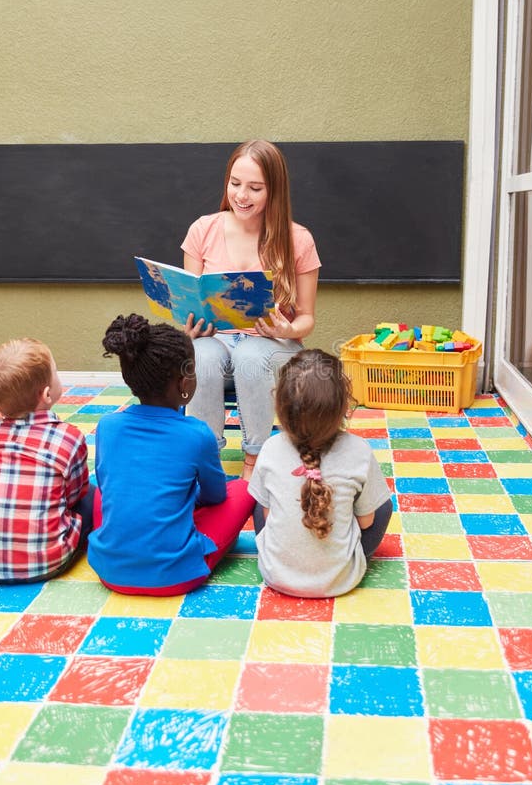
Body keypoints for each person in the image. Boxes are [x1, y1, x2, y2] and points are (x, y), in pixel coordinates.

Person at [181, 139, 321, 480]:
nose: (242, 195)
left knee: (250, 356)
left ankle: (254, 461)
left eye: (255, 188)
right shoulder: (203, 229)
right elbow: (189, 299)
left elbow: (306, 319)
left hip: (273, 348)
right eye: (235, 184)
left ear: (274, 190)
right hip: (217, 341)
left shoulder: (298, 239)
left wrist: (286, 330)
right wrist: (190, 327)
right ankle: (206, 459)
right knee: (201, 355)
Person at [88, 313, 255, 596]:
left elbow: (108, 486)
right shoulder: (196, 433)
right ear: (185, 382)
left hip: (109, 572)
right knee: (243, 489)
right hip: (176, 576)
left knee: (105, 491)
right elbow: (216, 497)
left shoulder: (107, 425)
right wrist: (183, 495)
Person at [248, 349, 393, 598]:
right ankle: (350, 562)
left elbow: (266, 514)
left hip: (275, 575)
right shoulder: (359, 450)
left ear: (280, 406)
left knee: (258, 498)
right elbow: (367, 521)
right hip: (341, 580)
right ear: (344, 405)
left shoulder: (270, 448)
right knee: (383, 505)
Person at [0, 338, 94, 583]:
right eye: (56, 373)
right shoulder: (68, 438)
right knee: (92, 494)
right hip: (46, 562)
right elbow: (75, 495)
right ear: (47, 394)